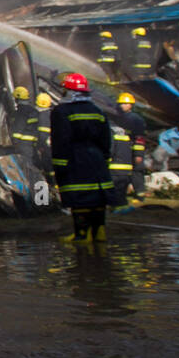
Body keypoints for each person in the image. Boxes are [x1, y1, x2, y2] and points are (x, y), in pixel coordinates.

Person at [51, 73, 114, 243]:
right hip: (97, 158)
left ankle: (81, 234)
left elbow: (61, 139)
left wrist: (59, 163)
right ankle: (99, 231)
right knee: (97, 197)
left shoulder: (61, 111)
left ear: (69, 92)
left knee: (79, 197)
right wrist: (105, 157)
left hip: (75, 158)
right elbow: (106, 138)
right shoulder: (97, 111)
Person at [110, 92, 147, 203]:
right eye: (121, 104)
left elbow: (140, 137)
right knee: (123, 172)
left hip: (134, 148)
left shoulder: (136, 119)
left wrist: (138, 154)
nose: (123, 106)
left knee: (137, 171)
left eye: (126, 104)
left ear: (131, 105)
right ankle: (123, 193)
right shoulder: (118, 118)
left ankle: (140, 195)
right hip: (123, 149)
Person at [8, 86, 38, 157]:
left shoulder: (21, 112)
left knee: (26, 165)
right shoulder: (33, 110)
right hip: (34, 144)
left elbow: (18, 127)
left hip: (24, 144)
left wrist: (14, 141)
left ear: (17, 98)